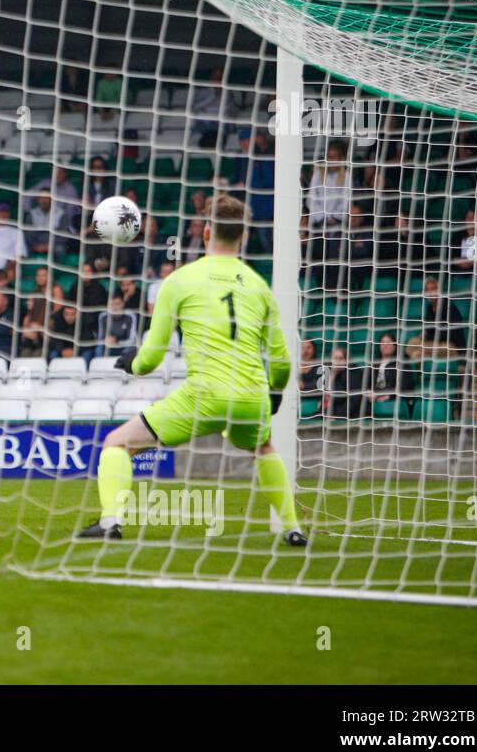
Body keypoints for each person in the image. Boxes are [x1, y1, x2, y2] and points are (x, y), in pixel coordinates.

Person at [75, 194, 305, 547]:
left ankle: (111, 521)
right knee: (263, 448)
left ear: (207, 231)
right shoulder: (260, 287)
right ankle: (292, 527)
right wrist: (274, 393)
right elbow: (282, 361)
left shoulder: (180, 280)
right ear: (242, 236)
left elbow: (152, 357)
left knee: (116, 443)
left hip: (205, 395)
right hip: (252, 396)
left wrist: (131, 362)